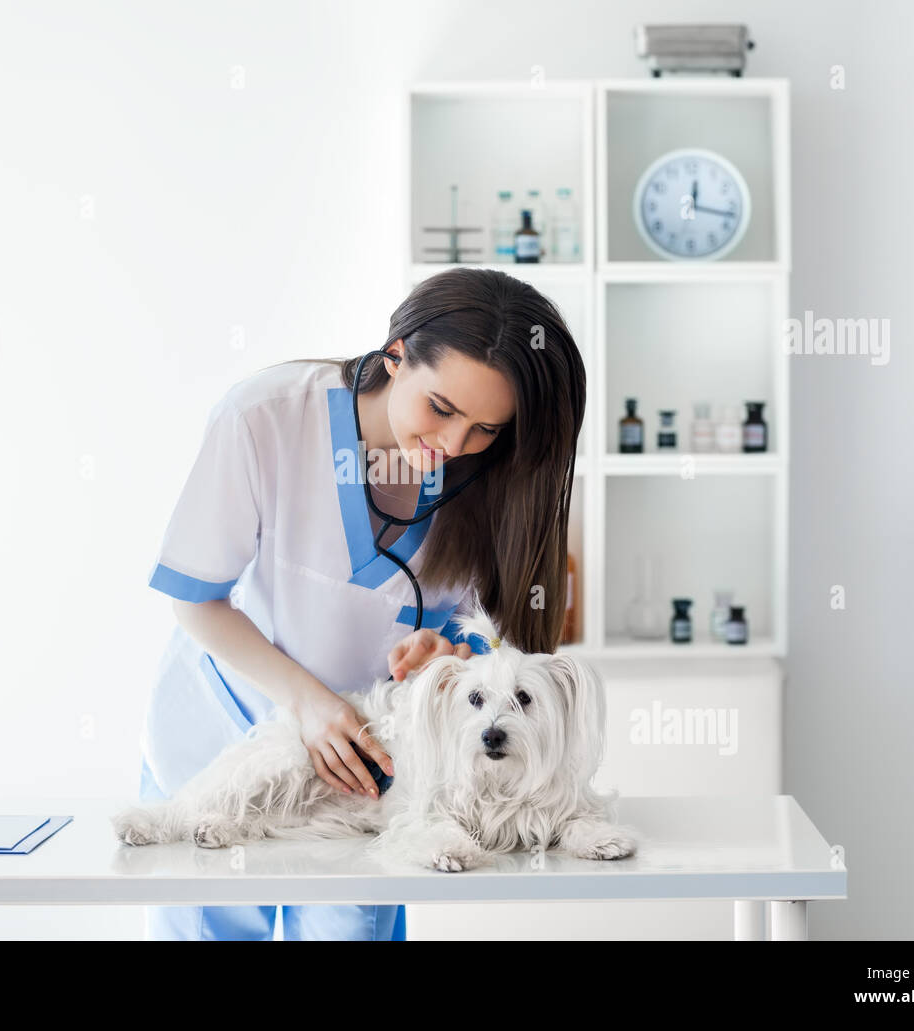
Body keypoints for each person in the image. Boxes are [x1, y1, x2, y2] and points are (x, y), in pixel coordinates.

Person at [137, 267, 585, 940]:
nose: (455, 445)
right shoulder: (266, 417)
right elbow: (197, 600)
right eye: (441, 408)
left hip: (371, 774)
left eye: (486, 427)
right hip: (224, 728)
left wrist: (454, 657)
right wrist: (307, 702)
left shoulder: (492, 478)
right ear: (396, 354)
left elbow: (495, 646)